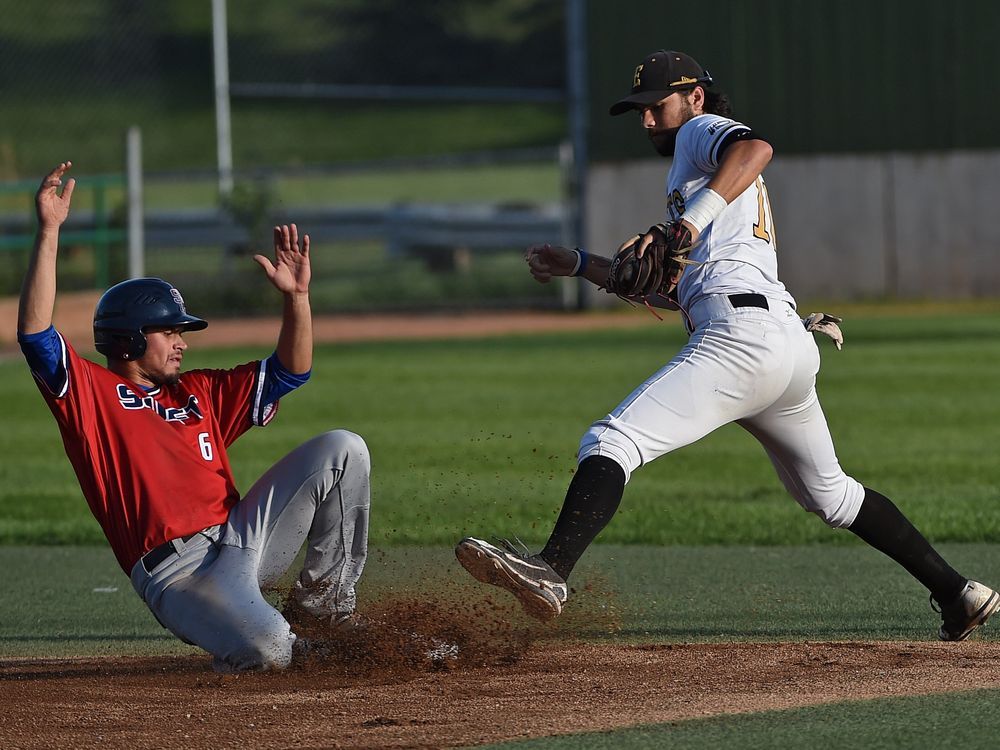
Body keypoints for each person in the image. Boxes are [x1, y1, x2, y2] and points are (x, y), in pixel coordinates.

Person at [455, 50, 999, 641]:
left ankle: (551, 570)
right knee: (834, 495)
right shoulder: (699, 181)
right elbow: (669, 288)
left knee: (611, 440)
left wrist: (685, 225)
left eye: (656, 105)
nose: (647, 120)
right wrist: (581, 263)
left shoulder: (699, 132)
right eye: (639, 110)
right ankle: (958, 592)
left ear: (695, 96)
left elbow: (757, 147)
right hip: (783, 343)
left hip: (741, 339)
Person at [18, 162, 371, 672]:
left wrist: (297, 300)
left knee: (344, 448)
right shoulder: (92, 397)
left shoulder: (198, 391)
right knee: (271, 649)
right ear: (130, 339)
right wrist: (50, 230)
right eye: (169, 332)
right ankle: (268, 640)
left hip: (244, 535)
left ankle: (325, 609)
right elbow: (36, 336)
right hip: (182, 574)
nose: (181, 342)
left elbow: (289, 372)